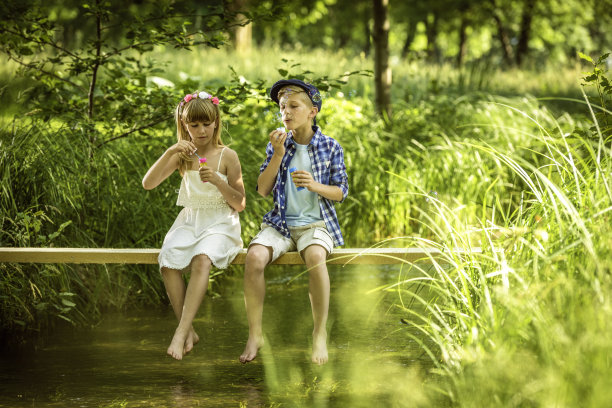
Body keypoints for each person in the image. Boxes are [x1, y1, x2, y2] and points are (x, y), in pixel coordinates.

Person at [239, 79, 349, 365]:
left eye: (293, 106)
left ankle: (319, 334)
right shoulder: (277, 145)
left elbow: (340, 192)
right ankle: (255, 334)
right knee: (253, 258)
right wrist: (277, 154)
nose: (286, 112)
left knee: (315, 257)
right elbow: (262, 190)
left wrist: (314, 185)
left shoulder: (330, 146)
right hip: (281, 224)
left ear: (313, 111)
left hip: (316, 225)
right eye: (282, 107)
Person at [142, 90, 246, 360]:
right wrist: (169, 150)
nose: (201, 131)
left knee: (202, 259)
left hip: (221, 222)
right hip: (190, 220)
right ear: (184, 126)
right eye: (194, 125)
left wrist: (219, 181)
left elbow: (240, 203)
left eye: (206, 124)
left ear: (216, 123)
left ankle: (180, 332)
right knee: (167, 260)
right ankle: (188, 329)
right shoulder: (182, 155)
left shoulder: (228, 156)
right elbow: (148, 184)